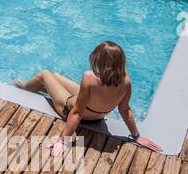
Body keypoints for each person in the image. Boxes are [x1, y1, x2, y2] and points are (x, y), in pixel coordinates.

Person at [14, 41, 161, 152]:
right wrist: (136, 136)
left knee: (45, 74)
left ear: (98, 60)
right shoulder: (126, 79)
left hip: (69, 108)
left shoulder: (89, 77)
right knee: (56, 76)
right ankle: (44, 88)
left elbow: (76, 112)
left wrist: (63, 141)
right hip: (96, 116)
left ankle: (24, 88)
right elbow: (125, 110)